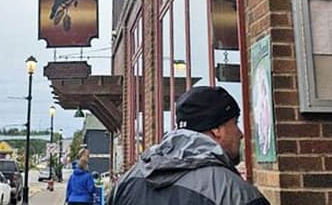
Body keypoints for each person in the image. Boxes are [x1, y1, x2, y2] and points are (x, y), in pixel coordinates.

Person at [108, 86, 270, 205]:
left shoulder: (128, 181)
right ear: (216, 129)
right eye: (235, 123)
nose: (240, 133)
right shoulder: (234, 194)